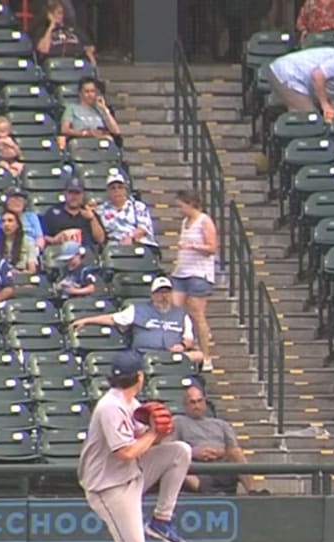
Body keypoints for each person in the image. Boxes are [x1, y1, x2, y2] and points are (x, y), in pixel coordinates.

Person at [78, 351, 192, 542]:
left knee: (180, 451)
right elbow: (126, 452)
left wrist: (160, 431)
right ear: (139, 377)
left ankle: (161, 519)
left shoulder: (131, 404)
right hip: (109, 487)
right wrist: (154, 433)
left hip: (131, 475)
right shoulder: (111, 407)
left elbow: (148, 443)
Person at [71, 275, 203, 364]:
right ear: (153, 295)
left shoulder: (181, 314)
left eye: (167, 292)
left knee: (198, 356)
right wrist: (87, 320)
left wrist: (182, 346)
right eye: (160, 292)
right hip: (144, 356)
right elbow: (113, 318)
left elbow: (188, 339)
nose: (164, 296)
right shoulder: (137, 309)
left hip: (172, 356)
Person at [170, 386, 259, 496]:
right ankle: (208, 492)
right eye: (192, 402)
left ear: (205, 402)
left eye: (199, 401)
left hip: (221, 465)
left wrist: (220, 452)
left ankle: (253, 491)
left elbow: (233, 450)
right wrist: (193, 452)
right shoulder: (178, 422)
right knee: (176, 465)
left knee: (237, 453)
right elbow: (171, 449)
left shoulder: (221, 424)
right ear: (185, 405)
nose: (196, 406)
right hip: (195, 469)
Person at [169, 189, 218, 370]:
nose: (179, 209)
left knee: (197, 315)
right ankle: (181, 348)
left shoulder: (204, 221)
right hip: (182, 272)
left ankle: (206, 356)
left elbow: (212, 248)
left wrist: (192, 246)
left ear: (190, 204)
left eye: (181, 206)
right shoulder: (184, 222)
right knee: (176, 310)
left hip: (199, 273)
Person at [264, 46, 334, 122]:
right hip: (287, 73)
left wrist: (331, 113)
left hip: (295, 80)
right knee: (309, 118)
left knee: (312, 115)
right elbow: (317, 76)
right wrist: (324, 105)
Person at [41, 177, 106, 252]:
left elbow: (100, 240)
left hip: (86, 256)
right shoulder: (53, 213)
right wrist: (54, 240)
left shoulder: (90, 213)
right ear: (65, 193)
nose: (74, 196)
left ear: (83, 195)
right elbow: (42, 237)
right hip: (60, 254)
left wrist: (92, 219)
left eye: (77, 193)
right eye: (71, 192)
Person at [99, 169, 156, 248]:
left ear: (125, 190)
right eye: (113, 188)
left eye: (120, 187)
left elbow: (143, 228)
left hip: (138, 244)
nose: (117, 191)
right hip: (114, 248)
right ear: (108, 191)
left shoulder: (138, 207)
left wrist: (130, 237)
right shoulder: (101, 210)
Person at [60, 77, 122, 147]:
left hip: (101, 141)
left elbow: (116, 131)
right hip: (81, 141)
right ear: (80, 93)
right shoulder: (72, 108)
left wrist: (104, 109)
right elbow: (64, 129)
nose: (90, 95)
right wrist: (85, 133)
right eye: (87, 91)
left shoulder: (101, 108)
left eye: (92, 91)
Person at [31, 0, 95, 63]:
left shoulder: (72, 29)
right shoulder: (43, 31)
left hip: (75, 62)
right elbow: (44, 50)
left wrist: (93, 69)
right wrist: (51, 26)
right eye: (57, 13)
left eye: (61, 13)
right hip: (55, 63)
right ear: (49, 15)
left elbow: (90, 48)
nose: (59, 16)